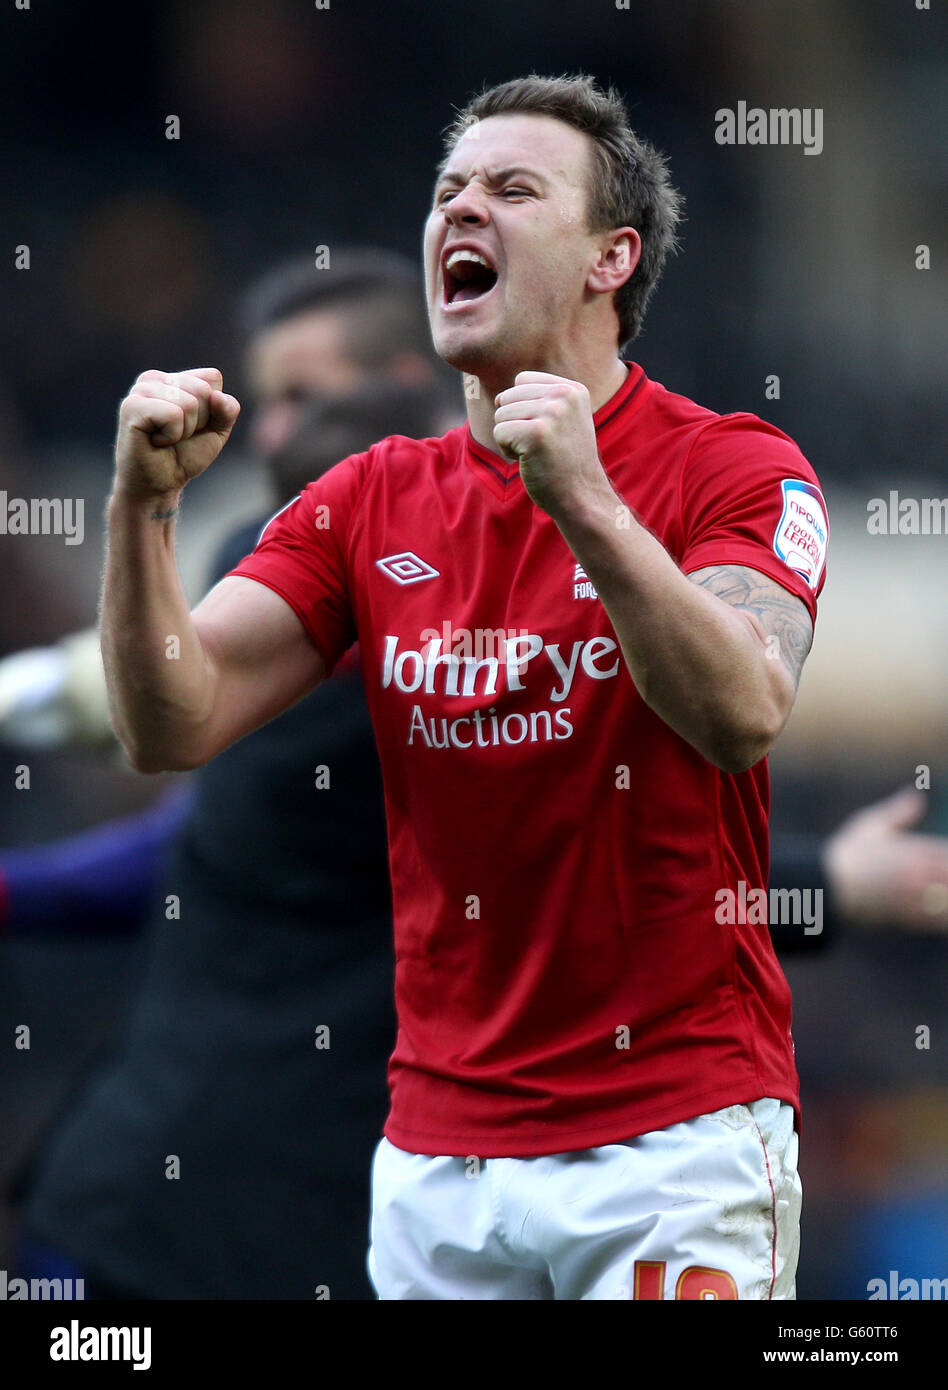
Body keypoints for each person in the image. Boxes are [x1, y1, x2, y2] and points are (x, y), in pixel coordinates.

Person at [101, 72, 832, 1301]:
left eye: (511, 188)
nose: (461, 212)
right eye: (447, 192)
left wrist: (584, 502)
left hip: (669, 1143)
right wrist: (144, 511)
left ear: (613, 257)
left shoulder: (735, 466)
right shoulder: (368, 496)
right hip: (438, 1163)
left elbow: (743, 705)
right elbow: (170, 721)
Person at [11, 250, 451, 1299]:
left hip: (217, 1214)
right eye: (264, 396)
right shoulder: (300, 566)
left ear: (403, 384)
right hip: (199, 1219)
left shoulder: (452, 600)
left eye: (301, 393)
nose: (268, 429)